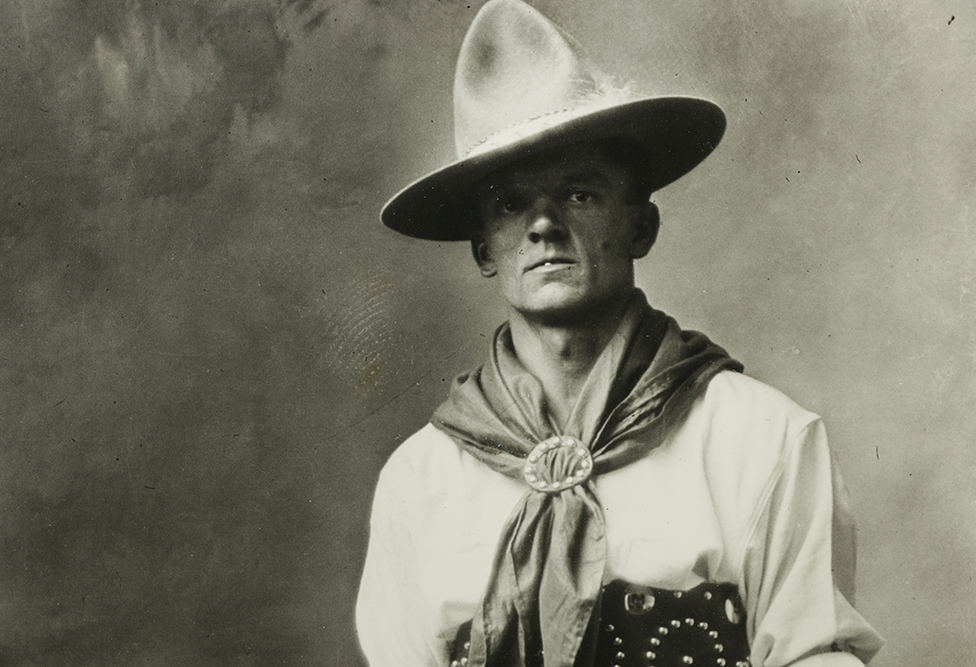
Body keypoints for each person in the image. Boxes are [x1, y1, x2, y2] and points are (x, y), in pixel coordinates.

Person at [356, 2, 883, 666]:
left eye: (579, 194)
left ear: (641, 227)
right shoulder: (420, 481)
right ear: (484, 249)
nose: (543, 225)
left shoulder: (763, 439)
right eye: (512, 204)